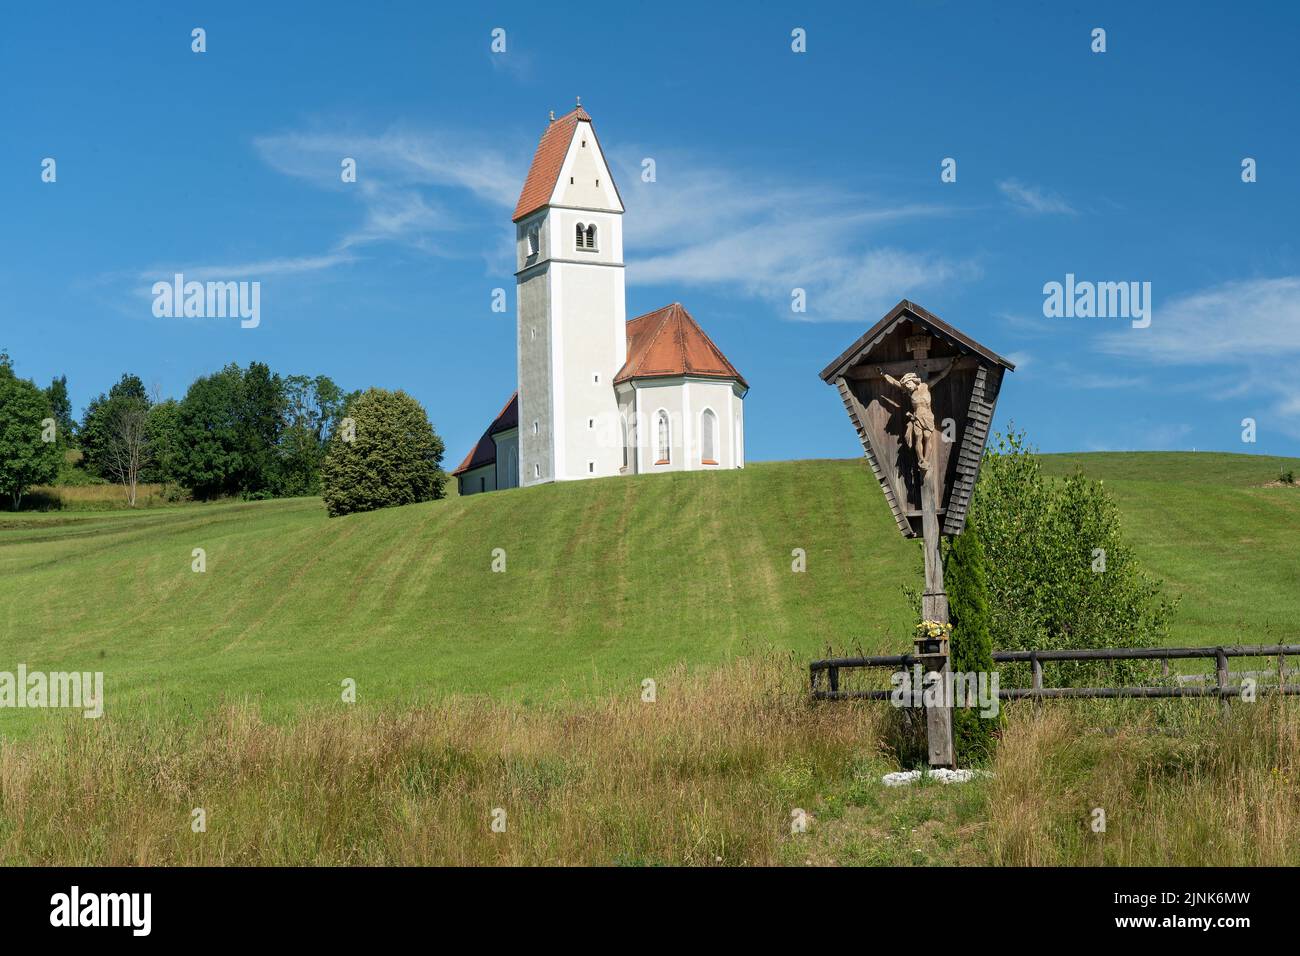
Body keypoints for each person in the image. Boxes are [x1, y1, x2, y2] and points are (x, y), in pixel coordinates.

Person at [877, 358, 958, 473]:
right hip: (917, 418)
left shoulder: (926, 386)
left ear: (913, 381)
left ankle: (926, 460)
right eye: (906, 385)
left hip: (928, 417)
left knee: (927, 437)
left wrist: (951, 364)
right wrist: (883, 374)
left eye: (908, 384)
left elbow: (941, 375)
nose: (908, 386)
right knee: (918, 438)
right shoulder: (910, 392)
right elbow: (895, 383)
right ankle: (921, 460)